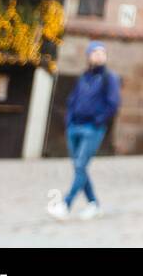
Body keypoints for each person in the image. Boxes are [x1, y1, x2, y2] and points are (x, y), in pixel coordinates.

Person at [48, 41, 120, 220]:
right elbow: (73, 100)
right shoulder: (84, 77)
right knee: (80, 167)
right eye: (95, 52)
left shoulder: (108, 78)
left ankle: (66, 204)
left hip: (92, 128)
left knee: (80, 165)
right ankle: (93, 204)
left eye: (102, 52)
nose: (99, 55)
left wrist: (98, 121)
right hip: (74, 127)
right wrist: (69, 120)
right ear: (88, 55)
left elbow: (113, 103)